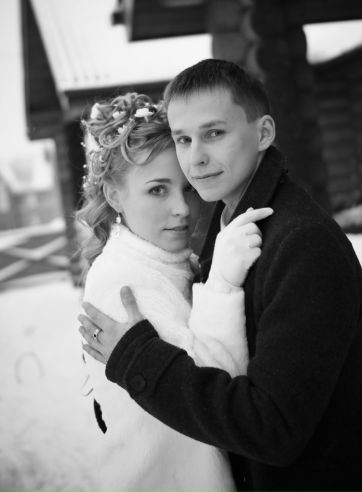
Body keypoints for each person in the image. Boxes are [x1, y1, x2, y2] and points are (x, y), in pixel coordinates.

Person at [79, 60, 362, 492]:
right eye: (183, 139)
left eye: (214, 133)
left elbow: (271, 426)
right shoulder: (228, 225)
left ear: (263, 133)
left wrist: (139, 359)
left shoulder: (302, 243)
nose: (196, 158)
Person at [76, 91, 272, 492]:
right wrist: (223, 284)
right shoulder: (122, 283)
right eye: (157, 190)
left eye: (187, 189)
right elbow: (216, 390)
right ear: (113, 195)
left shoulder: (166, 262)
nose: (183, 208)